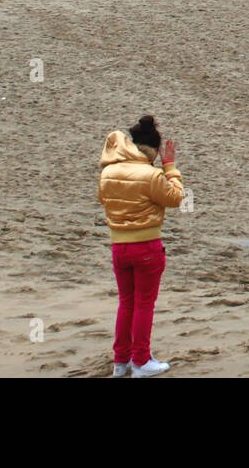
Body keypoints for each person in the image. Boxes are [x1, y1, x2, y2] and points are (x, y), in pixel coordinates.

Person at [98, 114, 184, 378]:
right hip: (146, 245)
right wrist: (170, 167)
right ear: (153, 151)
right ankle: (141, 361)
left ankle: (121, 361)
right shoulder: (151, 174)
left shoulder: (108, 171)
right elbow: (176, 197)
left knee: (126, 303)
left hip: (118, 246)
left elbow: (104, 199)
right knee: (144, 304)